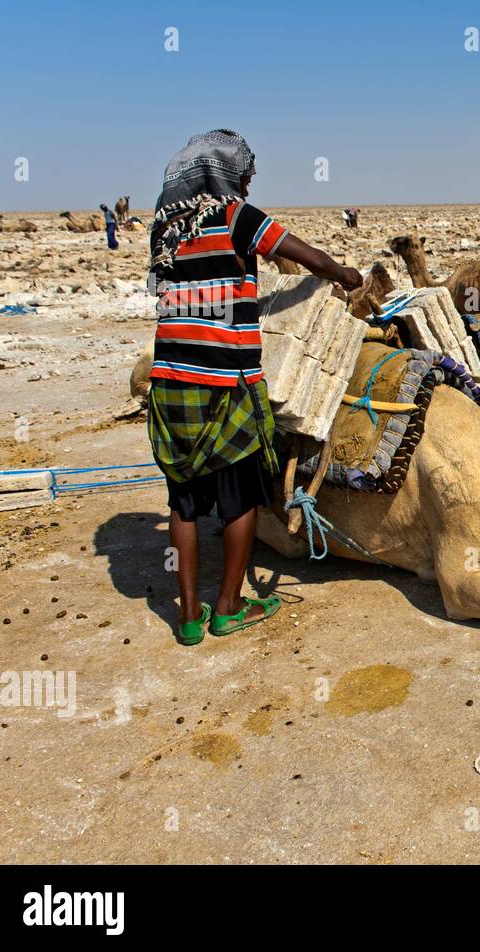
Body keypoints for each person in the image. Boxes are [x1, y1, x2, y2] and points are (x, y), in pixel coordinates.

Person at [146, 129, 362, 646]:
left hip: (170, 381)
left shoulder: (165, 230)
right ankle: (229, 606)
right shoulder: (236, 216)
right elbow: (304, 255)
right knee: (238, 497)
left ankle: (189, 617)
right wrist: (343, 273)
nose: (251, 177)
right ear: (224, 174)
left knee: (183, 502)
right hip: (226, 382)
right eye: (245, 169)